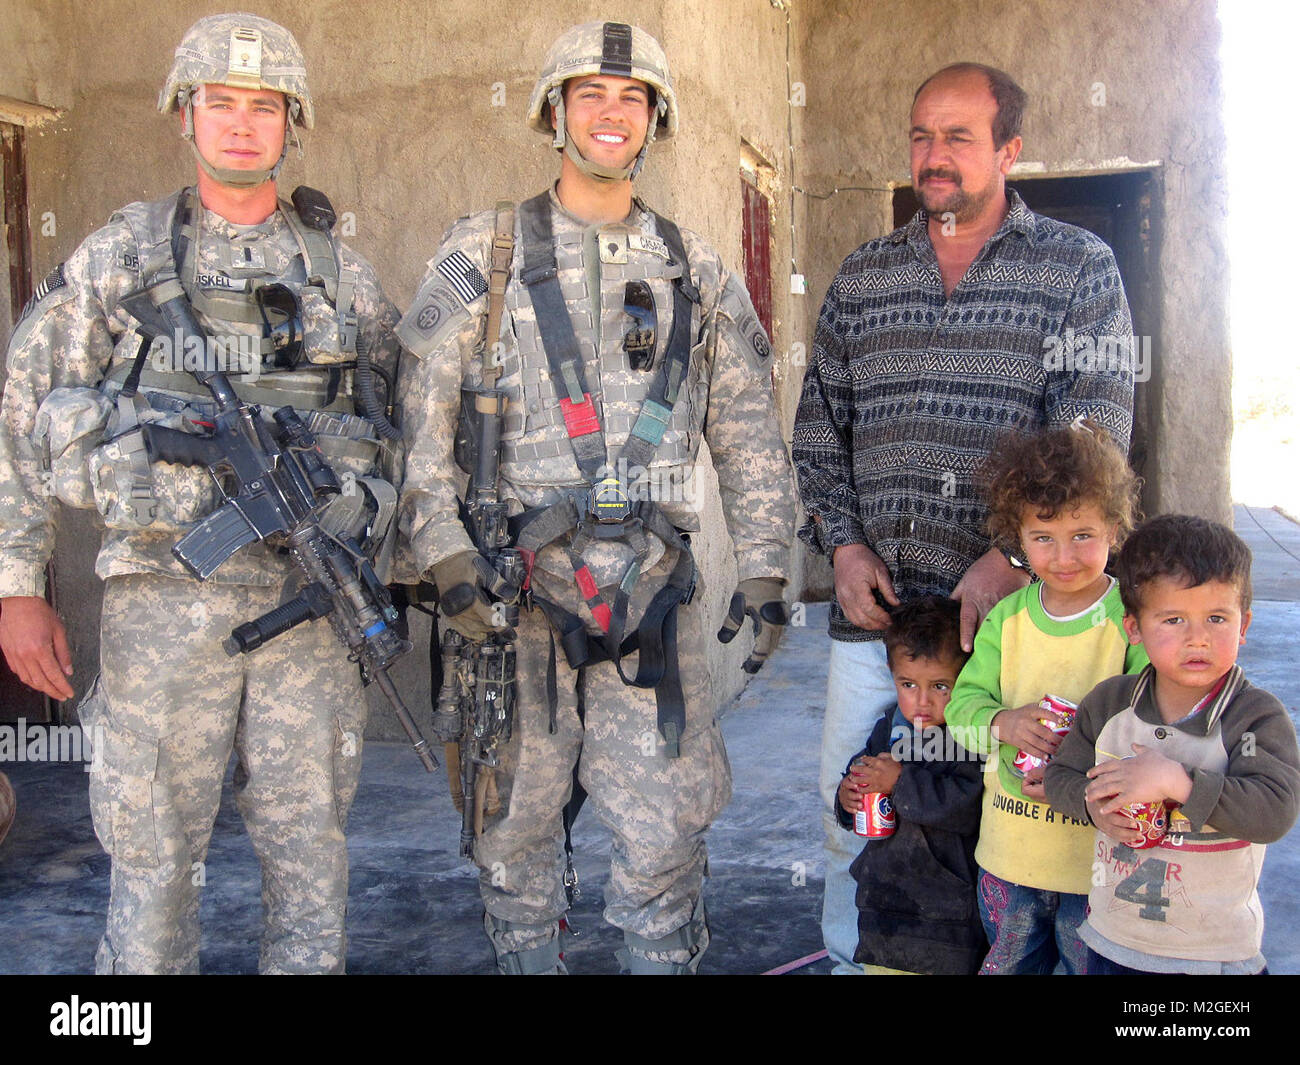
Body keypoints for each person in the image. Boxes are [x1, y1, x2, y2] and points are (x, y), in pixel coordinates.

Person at [0, 14, 404, 973]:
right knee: (152, 857)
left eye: (263, 107)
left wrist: (373, 517)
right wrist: (18, 583)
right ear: (184, 114)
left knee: (309, 855)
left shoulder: (342, 277)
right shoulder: (118, 259)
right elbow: (22, 409)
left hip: (310, 611)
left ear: (290, 123)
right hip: (162, 605)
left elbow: (398, 426)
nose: (240, 124)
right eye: (219, 102)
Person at [396, 21, 794, 974]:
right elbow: (418, 428)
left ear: (654, 119)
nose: (611, 115)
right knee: (513, 832)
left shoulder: (695, 269)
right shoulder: (482, 255)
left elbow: (747, 435)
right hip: (510, 603)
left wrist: (772, 565)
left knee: (665, 836)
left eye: (631, 99)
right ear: (554, 113)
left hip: (650, 604)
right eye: (590, 96)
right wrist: (443, 555)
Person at [791, 61, 1136, 973]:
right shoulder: (865, 276)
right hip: (879, 629)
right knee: (861, 810)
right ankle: (854, 961)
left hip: (1021, 628)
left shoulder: (1076, 268)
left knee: (1019, 832)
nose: (932, 156)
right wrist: (844, 541)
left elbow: (1096, 427)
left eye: (957, 136)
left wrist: (1014, 561)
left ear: (1009, 150)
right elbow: (818, 428)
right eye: (919, 135)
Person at [1046, 515, 1300, 974]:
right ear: (1134, 629)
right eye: (1174, 618)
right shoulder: (1109, 705)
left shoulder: (1253, 718)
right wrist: (1092, 805)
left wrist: (1180, 783)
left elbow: (1275, 811)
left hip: (1213, 955)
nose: (1198, 637)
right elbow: (1061, 777)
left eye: (1217, 618)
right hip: (1112, 943)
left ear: (1244, 626)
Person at [944, 420, 1146, 973]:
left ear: (1113, 527)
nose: (1063, 557)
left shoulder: (1130, 622)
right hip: (1011, 858)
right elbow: (961, 709)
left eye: (1083, 535)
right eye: (1043, 537)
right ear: (1019, 536)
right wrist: (1003, 723)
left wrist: (1084, 750)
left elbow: (1158, 722)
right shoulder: (1006, 620)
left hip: (1100, 865)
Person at [834, 595, 985, 975]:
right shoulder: (890, 724)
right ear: (891, 674)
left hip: (948, 913)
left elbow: (967, 808)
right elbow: (864, 770)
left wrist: (901, 782)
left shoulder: (970, 736)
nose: (921, 701)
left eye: (940, 686)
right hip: (884, 903)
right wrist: (848, 796)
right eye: (907, 683)